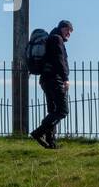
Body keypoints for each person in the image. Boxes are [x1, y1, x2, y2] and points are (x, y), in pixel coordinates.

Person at [31, 20, 73, 149]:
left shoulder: (51, 38)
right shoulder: (56, 39)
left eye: (70, 32)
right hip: (54, 79)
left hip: (46, 79)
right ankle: (39, 132)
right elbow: (59, 60)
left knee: (53, 110)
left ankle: (51, 142)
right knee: (62, 110)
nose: (69, 34)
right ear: (61, 28)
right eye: (68, 30)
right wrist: (65, 78)